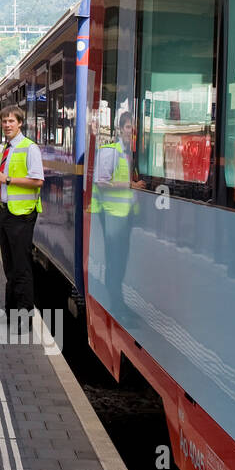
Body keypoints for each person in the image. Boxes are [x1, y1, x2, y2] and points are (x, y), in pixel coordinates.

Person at [0, 104, 45, 319]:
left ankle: (24, 317)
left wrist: (7, 179)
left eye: (11, 121)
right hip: (5, 212)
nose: (7, 125)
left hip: (22, 215)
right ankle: (10, 314)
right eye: (4, 121)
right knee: (9, 266)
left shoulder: (30, 148)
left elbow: (38, 180)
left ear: (20, 123)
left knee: (21, 268)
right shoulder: (8, 148)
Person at [91, 112, 144, 320]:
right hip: (112, 214)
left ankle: (119, 302)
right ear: (121, 129)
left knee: (121, 261)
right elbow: (101, 182)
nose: (131, 131)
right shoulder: (110, 152)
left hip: (125, 215)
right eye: (129, 127)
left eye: (134, 128)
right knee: (114, 260)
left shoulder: (131, 153)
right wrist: (130, 185)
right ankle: (115, 306)